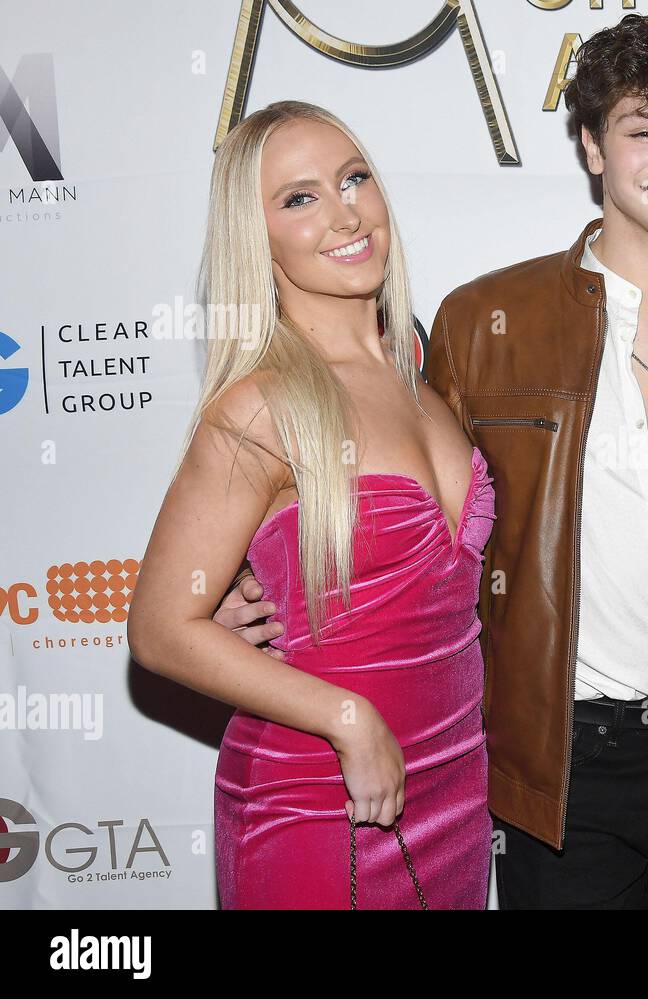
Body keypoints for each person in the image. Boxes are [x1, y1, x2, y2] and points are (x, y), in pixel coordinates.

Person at [221, 14, 648, 909]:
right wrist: (244, 580)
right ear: (594, 147)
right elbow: (402, 508)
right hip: (562, 775)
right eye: (643, 130)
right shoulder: (486, 328)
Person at [127, 101, 493, 909]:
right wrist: (347, 717)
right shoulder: (262, 406)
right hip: (315, 790)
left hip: (456, 788)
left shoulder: (423, 386)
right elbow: (160, 628)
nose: (345, 212)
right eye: (300, 198)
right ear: (254, 237)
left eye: (354, 178)